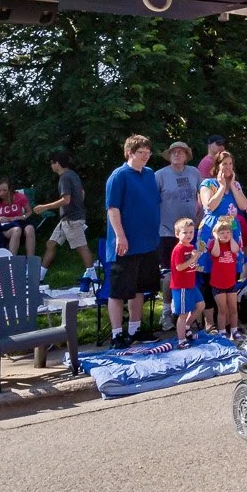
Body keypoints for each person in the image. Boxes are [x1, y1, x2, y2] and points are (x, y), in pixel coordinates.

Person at [104, 136, 163, 348]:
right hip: (126, 244)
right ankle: (117, 334)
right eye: (141, 153)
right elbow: (113, 208)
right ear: (130, 153)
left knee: (140, 288)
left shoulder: (149, 175)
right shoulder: (118, 176)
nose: (145, 157)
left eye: (148, 153)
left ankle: (135, 329)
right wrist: (120, 235)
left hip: (148, 243)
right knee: (119, 290)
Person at [194, 151, 247, 331]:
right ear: (217, 166)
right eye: (224, 164)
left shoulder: (235, 184)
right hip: (211, 231)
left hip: (232, 232)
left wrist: (232, 187)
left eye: (230, 163)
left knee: (230, 271)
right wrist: (221, 187)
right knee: (208, 275)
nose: (227, 167)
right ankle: (210, 321)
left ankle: (228, 320)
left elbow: (244, 206)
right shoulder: (208, 183)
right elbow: (209, 205)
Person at [154, 140, 203, 279]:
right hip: (167, 231)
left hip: (189, 231)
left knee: (189, 268)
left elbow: (204, 194)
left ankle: (187, 298)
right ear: (169, 156)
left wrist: (201, 215)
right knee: (168, 271)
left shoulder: (194, 172)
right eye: (174, 152)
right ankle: (168, 301)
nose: (177, 154)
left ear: (186, 156)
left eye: (181, 151)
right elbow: (152, 200)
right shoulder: (159, 175)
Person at [37, 152, 92, 273]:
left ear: (57, 164)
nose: (51, 166)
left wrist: (44, 207)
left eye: (52, 163)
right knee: (51, 244)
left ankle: (92, 276)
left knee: (81, 247)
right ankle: (39, 276)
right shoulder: (73, 175)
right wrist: (78, 205)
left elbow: (66, 200)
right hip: (66, 219)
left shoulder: (64, 178)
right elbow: (82, 193)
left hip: (72, 220)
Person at [205, 215, 246, 336]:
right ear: (216, 234)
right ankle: (222, 331)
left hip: (230, 283)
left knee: (233, 308)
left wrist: (231, 237)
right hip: (218, 283)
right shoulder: (213, 244)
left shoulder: (231, 244)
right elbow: (216, 254)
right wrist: (216, 239)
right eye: (222, 233)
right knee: (222, 309)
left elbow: (235, 250)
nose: (225, 235)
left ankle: (234, 329)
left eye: (228, 232)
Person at [165, 218, 203, 345]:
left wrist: (196, 263)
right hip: (181, 286)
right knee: (183, 313)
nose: (188, 235)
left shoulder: (191, 247)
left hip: (191, 283)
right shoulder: (178, 249)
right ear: (177, 234)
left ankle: (186, 326)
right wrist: (192, 259)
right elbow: (179, 267)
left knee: (201, 305)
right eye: (185, 232)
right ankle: (181, 340)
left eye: (191, 232)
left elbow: (191, 265)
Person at [0, 180, 36, 255]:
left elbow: (29, 211)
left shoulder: (20, 197)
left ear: (10, 189)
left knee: (30, 228)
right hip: (4, 226)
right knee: (16, 230)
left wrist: (23, 216)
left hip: (19, 222)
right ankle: (11, 261)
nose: (1, 193)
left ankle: (31, 260)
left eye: (4, 190)